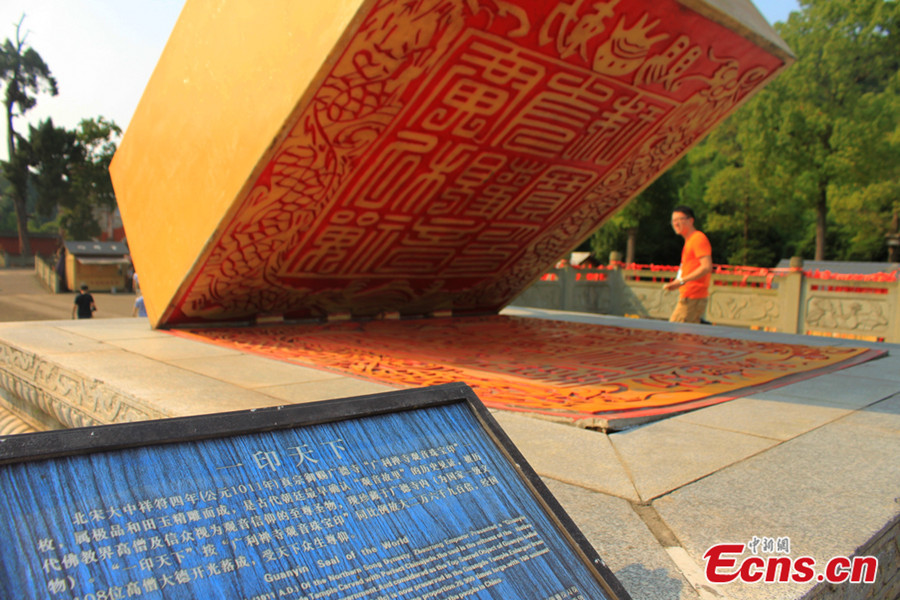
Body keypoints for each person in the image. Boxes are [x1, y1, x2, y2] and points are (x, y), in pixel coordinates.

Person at [663, 206, 712, 323]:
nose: (675, 223)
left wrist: (681, 281)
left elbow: (706, 267)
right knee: (684, 336)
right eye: (673, 221)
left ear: (691, 220)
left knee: (675, 333)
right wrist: (677, 283)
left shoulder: (698, 239)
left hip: (693, 297)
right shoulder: (689, 241)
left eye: (679, 219)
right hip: (688, 296)